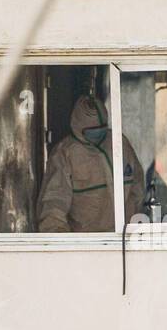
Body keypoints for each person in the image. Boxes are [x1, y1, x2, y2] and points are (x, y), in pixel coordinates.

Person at [37, 95, 143, 232]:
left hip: (123, 239)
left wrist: (133, 224)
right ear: (78, 128)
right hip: (87, 244)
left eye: (102, 129)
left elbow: (138, 188)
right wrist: (61, 243)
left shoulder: (119, 144)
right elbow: (53, 205)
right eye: (91, 131)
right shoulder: (65, 153)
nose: (98, 134)